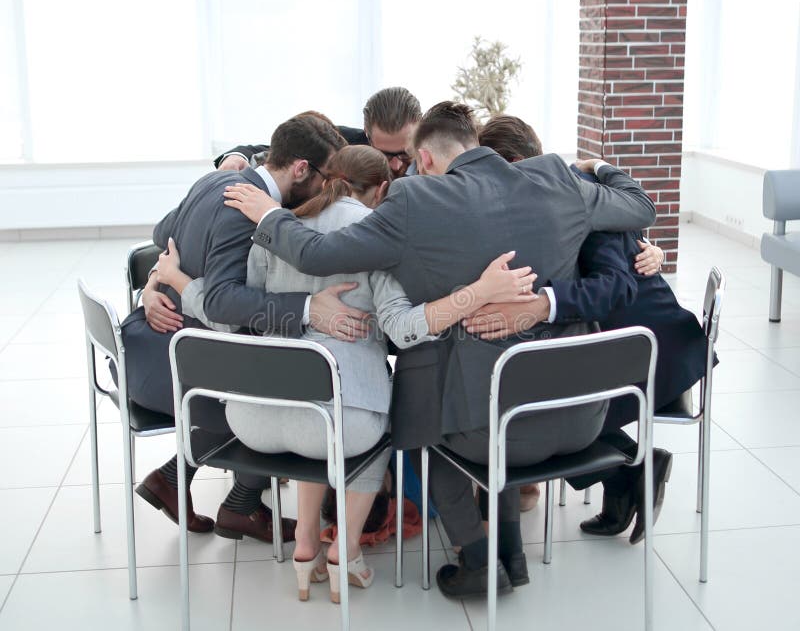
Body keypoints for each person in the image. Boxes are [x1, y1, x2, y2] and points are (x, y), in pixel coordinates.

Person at [221, 101, 657, 597]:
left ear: (423, 159)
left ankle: (477, 558)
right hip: (580, 415)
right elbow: (641, 207)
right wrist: (597, 166)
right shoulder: (557, 177)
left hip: (490, 431)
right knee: (491, 383)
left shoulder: (413, 201)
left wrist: (270, 214)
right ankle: (510, 557)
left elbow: (314, 254)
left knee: (419, 414)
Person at [155, 144, 540, 602]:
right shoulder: (377, 235)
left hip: (253, 419)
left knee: (310, 399)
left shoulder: (274, 229)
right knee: (372, 418)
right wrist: (475, 294)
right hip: (340, 425)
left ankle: (304, 548)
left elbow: (227, 315)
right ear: (382, 191)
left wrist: (178, 283)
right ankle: (345, 551)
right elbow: (403, 328)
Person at [469, 113, 711, 544]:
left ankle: (631, 467)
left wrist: (541, 303)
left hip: (655, 355)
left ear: (515, 162)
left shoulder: (576, 199)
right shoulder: (552, 194)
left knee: (542, 404)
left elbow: (613, 286)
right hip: (621, 341)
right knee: (542, 385)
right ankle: (620, 482)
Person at [125, 114, 361, 544]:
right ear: (301, 169)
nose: (329, 189)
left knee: (265, 370)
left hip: (150, 350)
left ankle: (182, 483)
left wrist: (165, 276)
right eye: (327, 177)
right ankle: (240, 505)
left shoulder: (216, 180)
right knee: (283, 398)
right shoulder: (244, 210)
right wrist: (309, 308)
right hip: (180, 368)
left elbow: (163, 232)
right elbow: (222, 303)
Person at [216, 87, 421, 179]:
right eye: (385, 154)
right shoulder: (344, 143)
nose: (396, 165)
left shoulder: (442, 160)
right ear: (367, 134)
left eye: (405, 154)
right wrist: (236, 156)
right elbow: (282, 150)